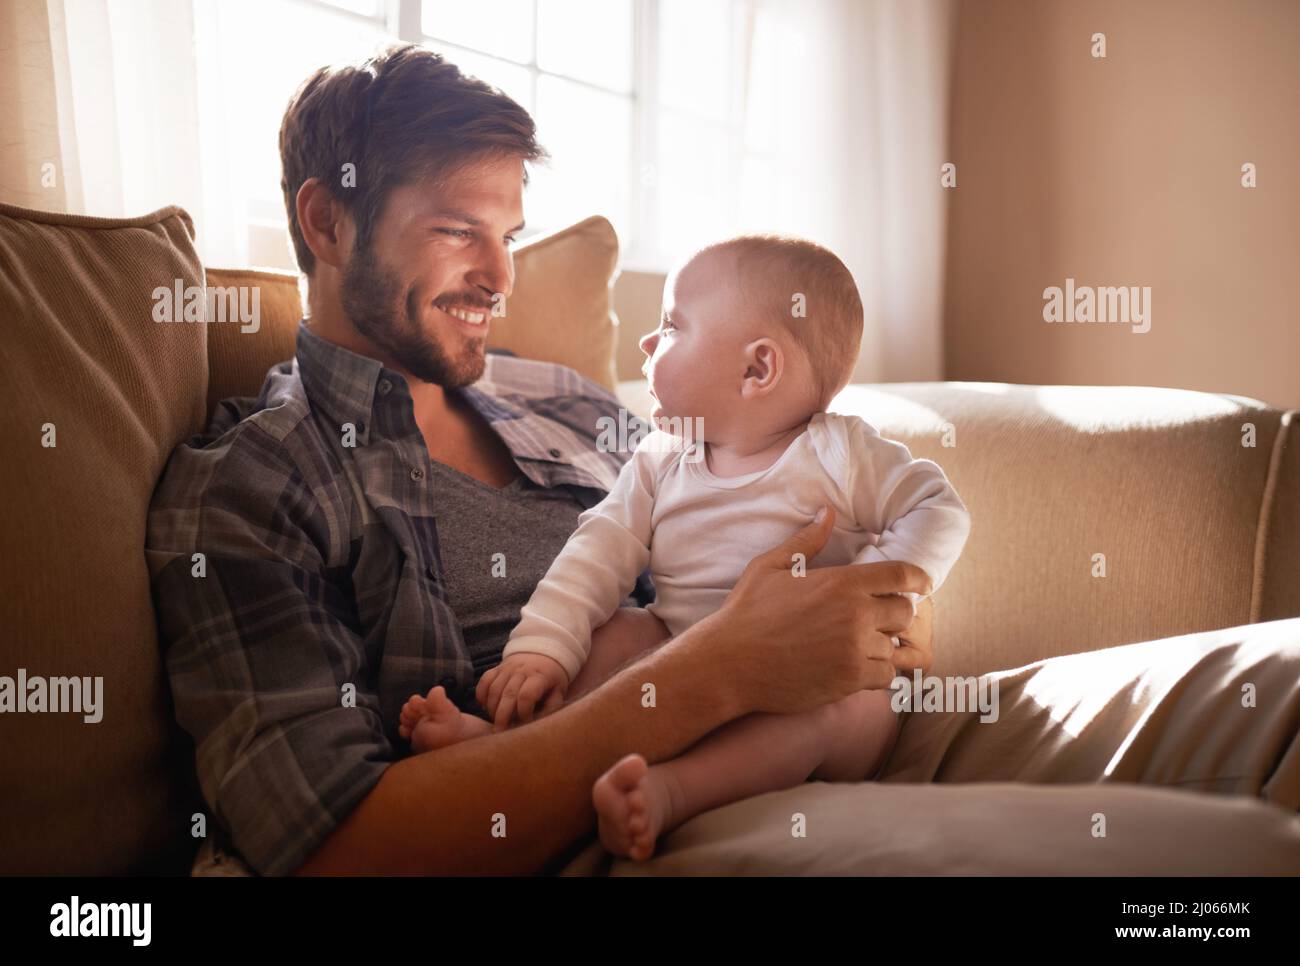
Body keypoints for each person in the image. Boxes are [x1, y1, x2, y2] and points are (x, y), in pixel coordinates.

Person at [145, 43, 935, 876]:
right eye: (458, 231)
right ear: (326, 222)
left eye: (508, 236)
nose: (500, 278)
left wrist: (873, 611)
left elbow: (781, 486)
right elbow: (336, 847)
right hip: (618, 825)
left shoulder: (560, 397)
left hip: (821, 747)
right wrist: (726, 669)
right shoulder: (255, 484)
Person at [399, 234, 972, 860]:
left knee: (829, 713)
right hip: (679, 648)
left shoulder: (839, 453)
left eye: (671, 326)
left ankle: (672, 791)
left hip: (822, 681)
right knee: (616, 631)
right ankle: (503, 743)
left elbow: (935, 508)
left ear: (757, 370)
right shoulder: (660, 458)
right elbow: (599, 548)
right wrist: (543, 649)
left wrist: (864, 594)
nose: (646, 343)